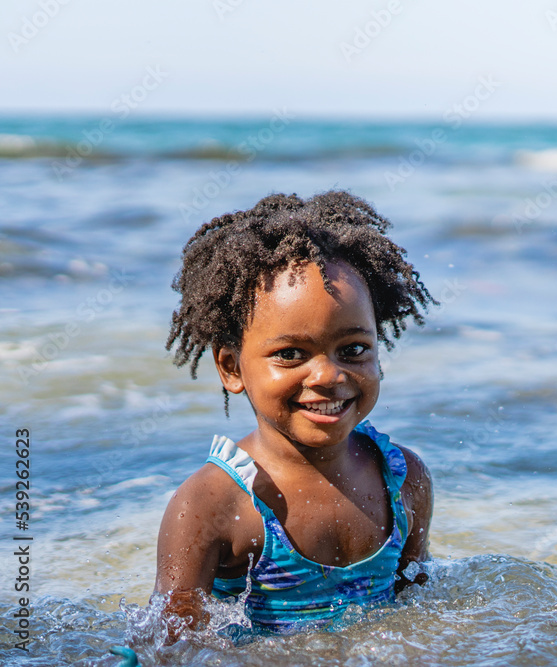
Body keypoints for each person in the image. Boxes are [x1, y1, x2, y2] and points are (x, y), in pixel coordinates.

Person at [154, 191, 435, 635]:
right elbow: (169, 647)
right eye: (290, 353)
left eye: (354, 349)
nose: (327, 374)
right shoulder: (212, 504)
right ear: (231, 366)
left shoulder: (403, 481)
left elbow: (419, 615)